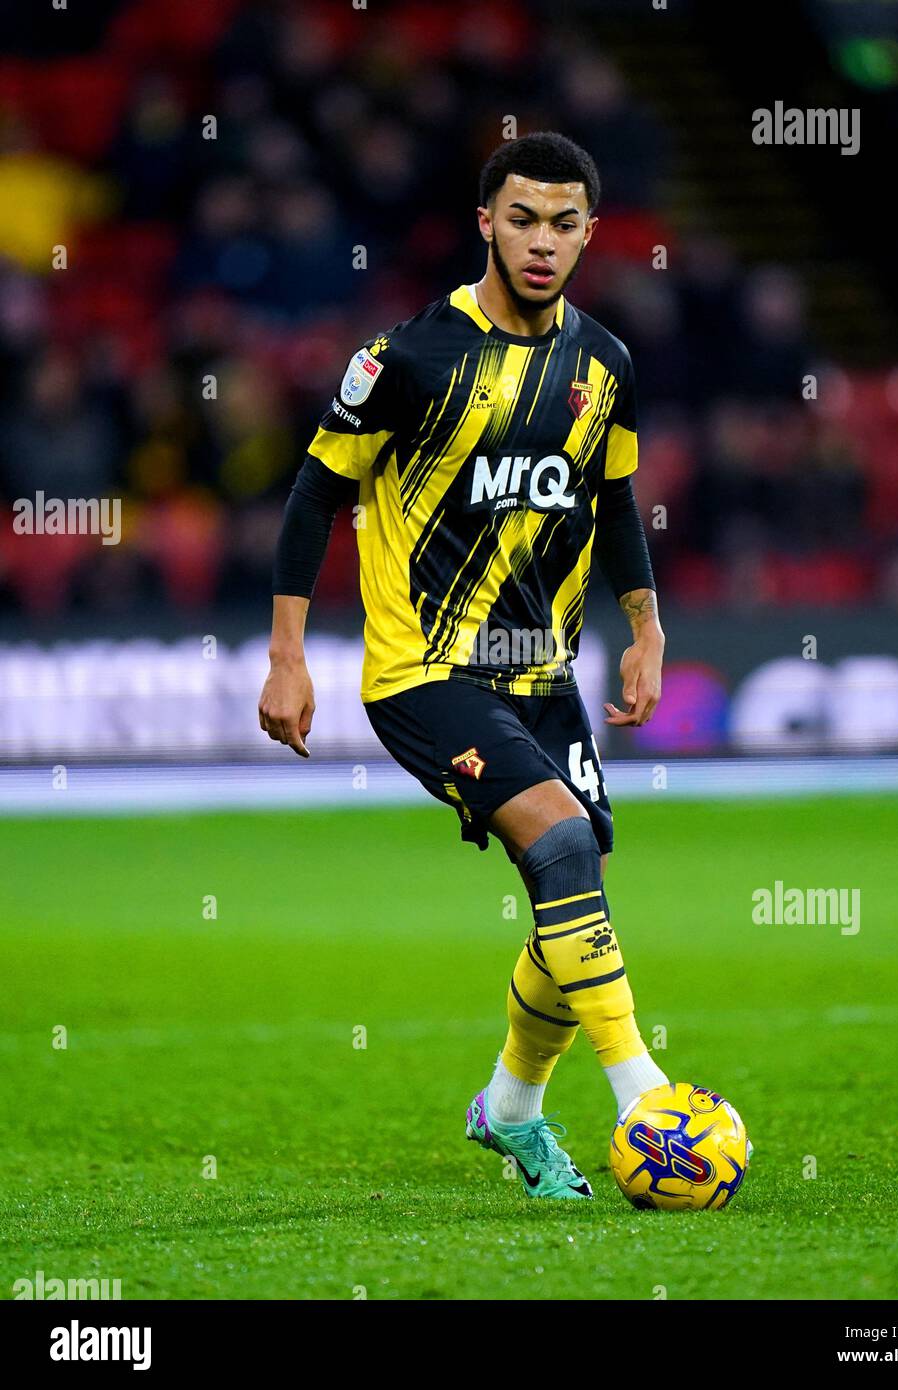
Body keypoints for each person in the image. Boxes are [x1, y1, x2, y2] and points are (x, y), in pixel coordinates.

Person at [259, 132, 668, 1200]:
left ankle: (512, 1110)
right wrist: (288, 656)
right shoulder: (404, 360)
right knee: (567, 842)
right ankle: (646, 1101)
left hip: (544, 672)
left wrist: (645, 622)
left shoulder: (604, 365)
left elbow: (612, 498)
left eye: (563, 222)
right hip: (424, 672)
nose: (542, 243)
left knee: (574, 880)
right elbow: (315, 495)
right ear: (484, 222)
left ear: (589, 232)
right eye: (521, 219)